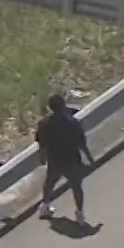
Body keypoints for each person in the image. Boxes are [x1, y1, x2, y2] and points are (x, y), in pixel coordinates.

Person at [35, 94, 95, 225]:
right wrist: (90, 158)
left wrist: (42, 157)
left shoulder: (44, 124)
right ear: (63, 106)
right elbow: (81, 143)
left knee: (50, 183)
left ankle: (44, 206)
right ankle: (79, 214)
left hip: (55, 159)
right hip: (71, 159)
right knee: (76, 187)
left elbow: (42, 143)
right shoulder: (73, 123)